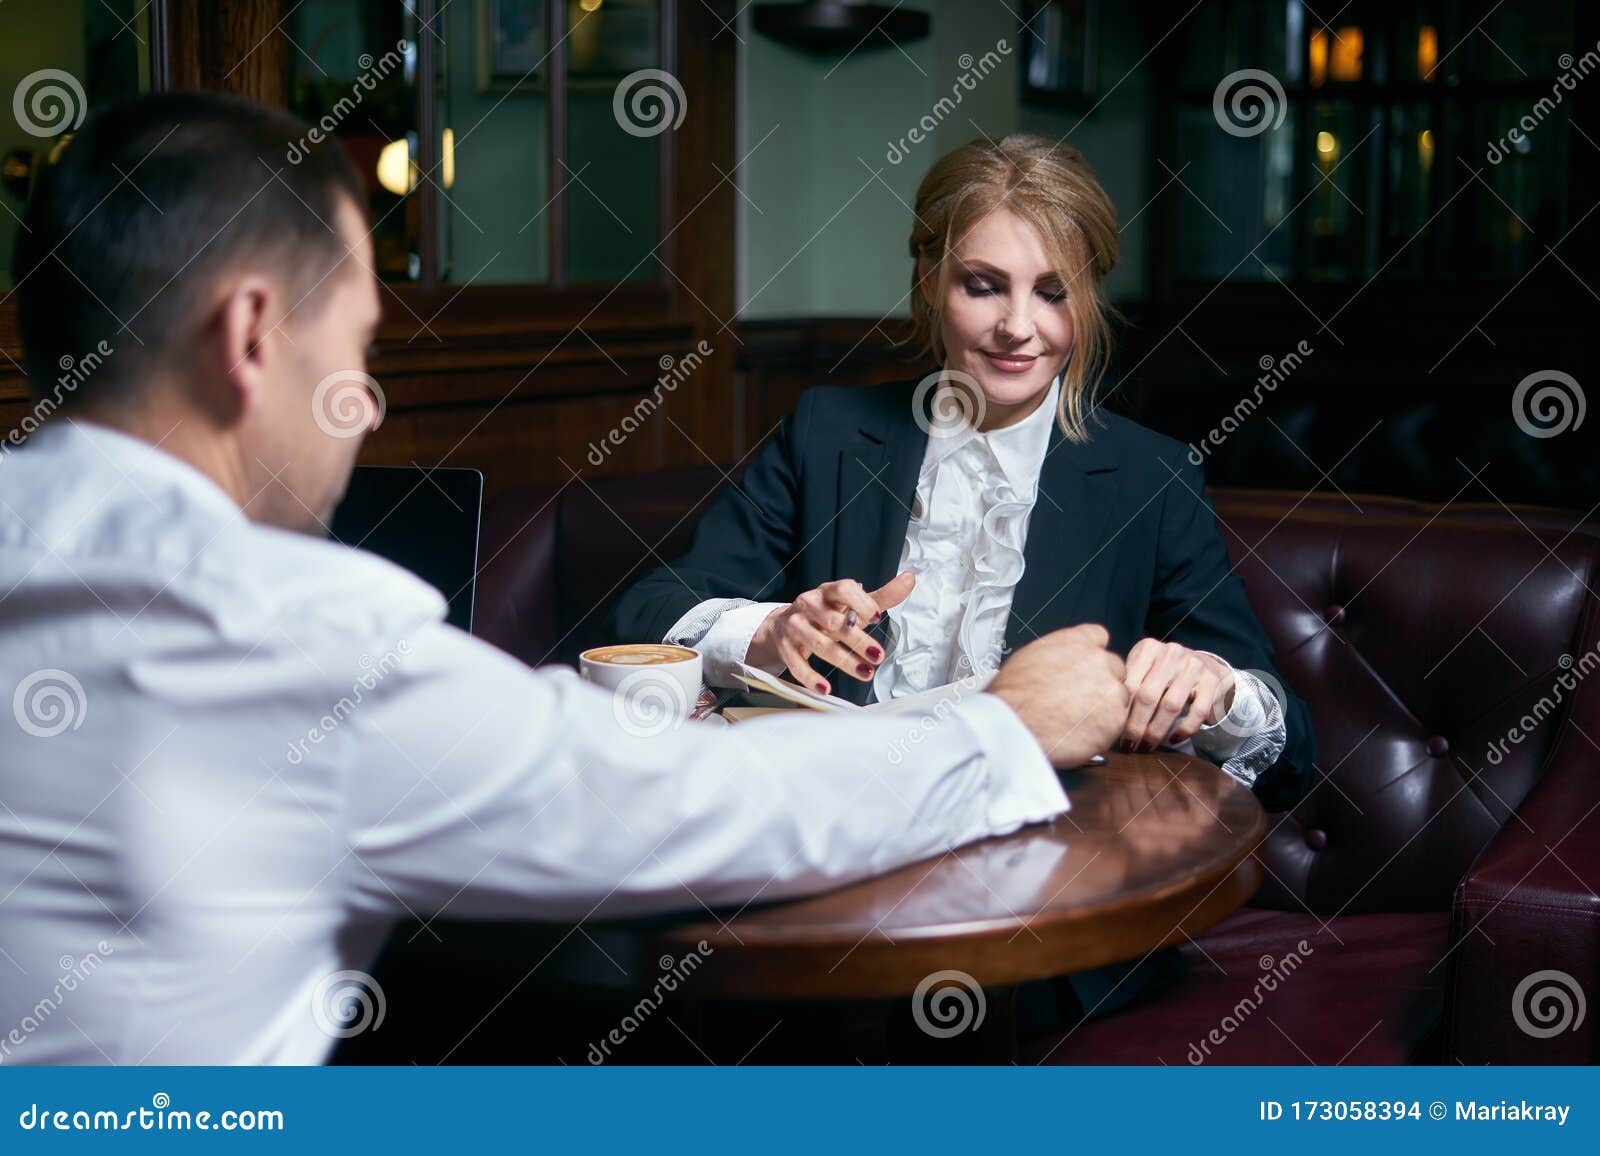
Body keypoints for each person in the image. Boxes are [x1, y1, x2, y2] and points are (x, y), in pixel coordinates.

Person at [0, 94, 1131, 1065]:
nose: (366, 400)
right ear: (251, 334)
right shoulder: (296, 641)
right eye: (356, 345)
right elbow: (702, 806)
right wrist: (1004, 725)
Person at [610, 133, 1315, 811]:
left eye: (1052, 291)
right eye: (983, 285)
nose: (1017, 326)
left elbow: (1290, 759)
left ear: (1090, 298)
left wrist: (1215, 687)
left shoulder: (1150, 477)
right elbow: (647, 611)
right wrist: (772, 630)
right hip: (835, 829)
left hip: (1042, 860)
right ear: (927, 280)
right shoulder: (825, 432)